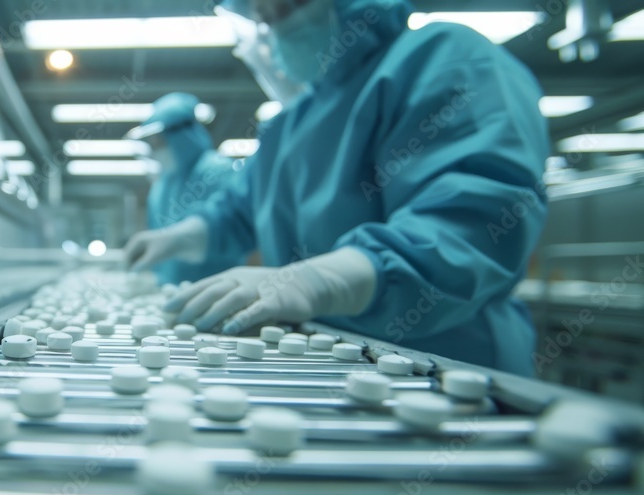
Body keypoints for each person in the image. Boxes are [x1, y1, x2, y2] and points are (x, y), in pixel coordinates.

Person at [124, 0, 550, 376]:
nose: (272, 21)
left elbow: (476, 222)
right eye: (264, 15)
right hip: (326, 366)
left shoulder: (446, 60)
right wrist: (182, 236)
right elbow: (241, 209)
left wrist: (322, 282)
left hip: (447, 368)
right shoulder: (291, 123)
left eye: (288, 6)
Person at [124, 92, 248, 285]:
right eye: (149, 143)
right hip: (168, 288)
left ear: (181, 135)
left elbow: (234, 228)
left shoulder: (216, 170)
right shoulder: (162, 185)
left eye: (158, 140)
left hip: (213, 287)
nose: (154, 149)